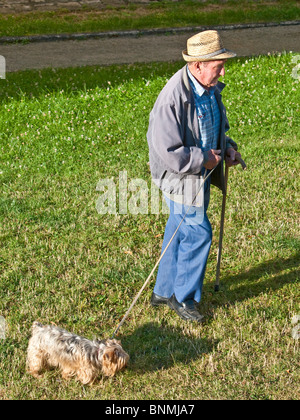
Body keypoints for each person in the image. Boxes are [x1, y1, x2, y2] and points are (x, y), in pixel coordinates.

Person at [147, 30, 242, 322]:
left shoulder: (209, 89)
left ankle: (163, 291)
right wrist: (204, 158)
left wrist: (227, 149)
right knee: (199, 231)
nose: (223, 71)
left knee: (179, 226)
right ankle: (183, 297)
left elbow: (215, 128)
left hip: (198, 172)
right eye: (218, 66)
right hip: (180, 177)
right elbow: (169, 151)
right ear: (197, 65)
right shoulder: (171, 99)